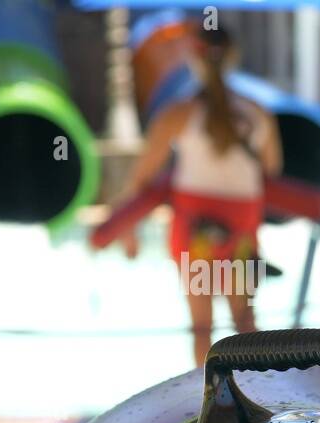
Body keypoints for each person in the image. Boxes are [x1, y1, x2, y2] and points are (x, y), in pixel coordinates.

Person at [118, 24, 283, 367]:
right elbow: (272, 172)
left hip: (196, 234)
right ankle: (258, 398)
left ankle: (209, 407)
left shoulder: (178, 114)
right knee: (245, 322)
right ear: (232, 58)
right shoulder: (259, 114)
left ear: (192, 58)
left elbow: (141, 177)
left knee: (201, 328)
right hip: (240, 232)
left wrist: (127, 229)